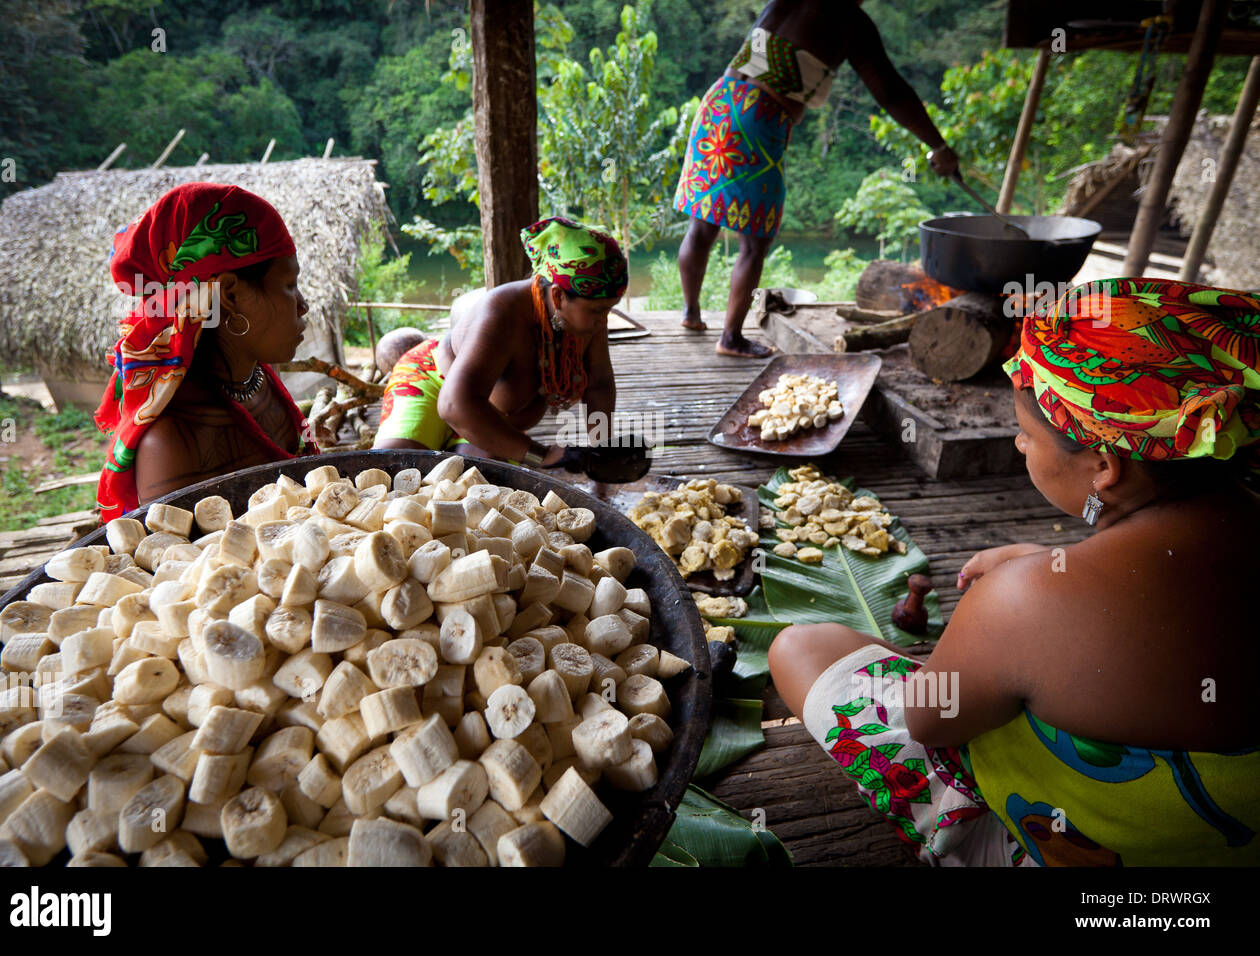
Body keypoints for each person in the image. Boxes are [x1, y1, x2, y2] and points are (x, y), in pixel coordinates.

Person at [767, 278, 1260, 866]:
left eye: (1025, 435)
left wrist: (1002, 608)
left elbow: (929, 721)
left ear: (1104, 465)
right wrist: (1043, 567)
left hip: (1070, 850)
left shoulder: (1023, 602)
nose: (1022, 449)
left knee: (801, 647)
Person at [674, 0, 959, 358]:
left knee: (702, 225)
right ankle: (730, 338)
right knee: (753, 242)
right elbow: (889, 91)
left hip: (719, 103)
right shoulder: (849, 18)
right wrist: (939, 145)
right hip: (758, 118)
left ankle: (691, 313)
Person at [94, 182, 319, 523]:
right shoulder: (172, 441)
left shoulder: (257, 381)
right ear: (229, 296)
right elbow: (191, 571)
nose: (303, 305)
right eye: (289, 285)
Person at [372, 216, 626, 467]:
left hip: (486, 414)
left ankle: (453, 442)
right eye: (598, 311)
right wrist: (543, 454)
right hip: (433, 382)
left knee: (486, 486)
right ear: (558, 297)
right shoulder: (501, 311)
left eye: (608, 310)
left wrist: (601, 453)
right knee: (394, 469)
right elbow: (453, 404)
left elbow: (599, 385)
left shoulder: (588, 321)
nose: (603, 320)